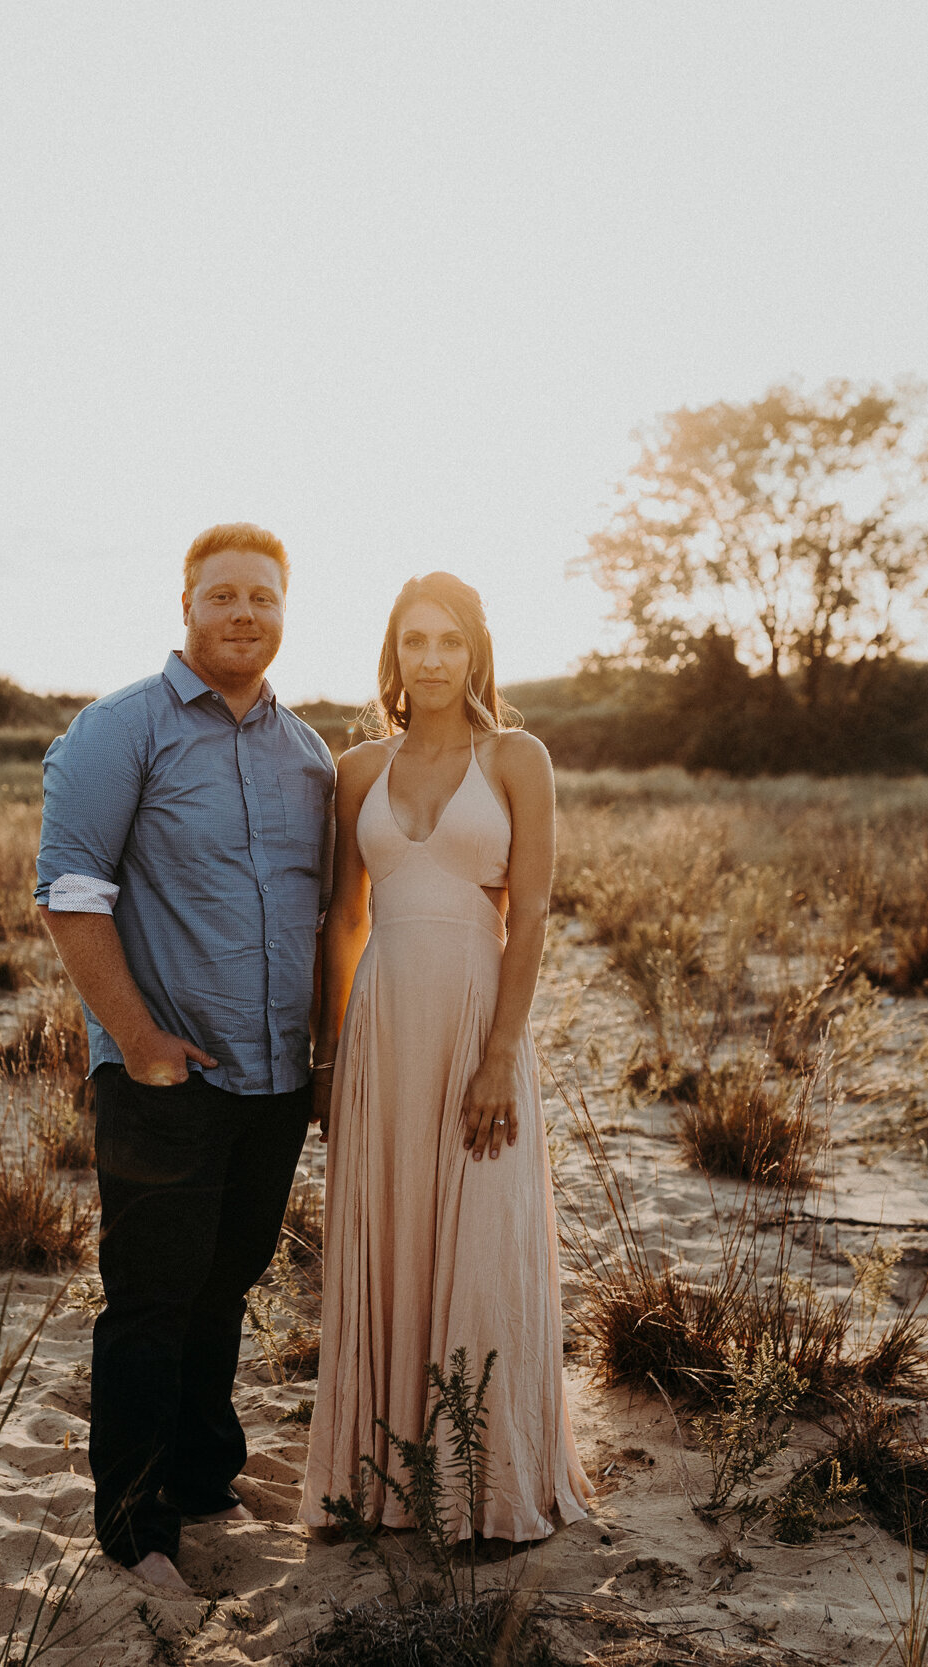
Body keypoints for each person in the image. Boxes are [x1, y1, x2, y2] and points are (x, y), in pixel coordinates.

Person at [35, 522, 336, 1595]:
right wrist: (140, 1037)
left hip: (273, 1080)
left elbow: (324, 919)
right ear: (186, 605)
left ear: (284, 609)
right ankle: (135, 1525)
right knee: (152, 1297)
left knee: (226, 1284)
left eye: (262, 594)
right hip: (166, 1074)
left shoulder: (306, 752)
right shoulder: (125, 729)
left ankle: (206, 1477)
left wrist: (325, 1058)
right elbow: (70, 891)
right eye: (222, 595)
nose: (243, 612)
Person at [299, 570, 592, 1543]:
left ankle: (479, 1489)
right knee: (389, 1231)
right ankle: (375, 1481)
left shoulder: (516, 755)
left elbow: (534, 909)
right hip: (383, 1025)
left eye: (447, 641)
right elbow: (343, 917)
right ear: (392, 653)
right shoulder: (355, 769)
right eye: (413, 640)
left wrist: (499, 1053)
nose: (430, 658)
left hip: (475, 1016)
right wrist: (329, 1055)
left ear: (474, 651)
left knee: (477, 1235)